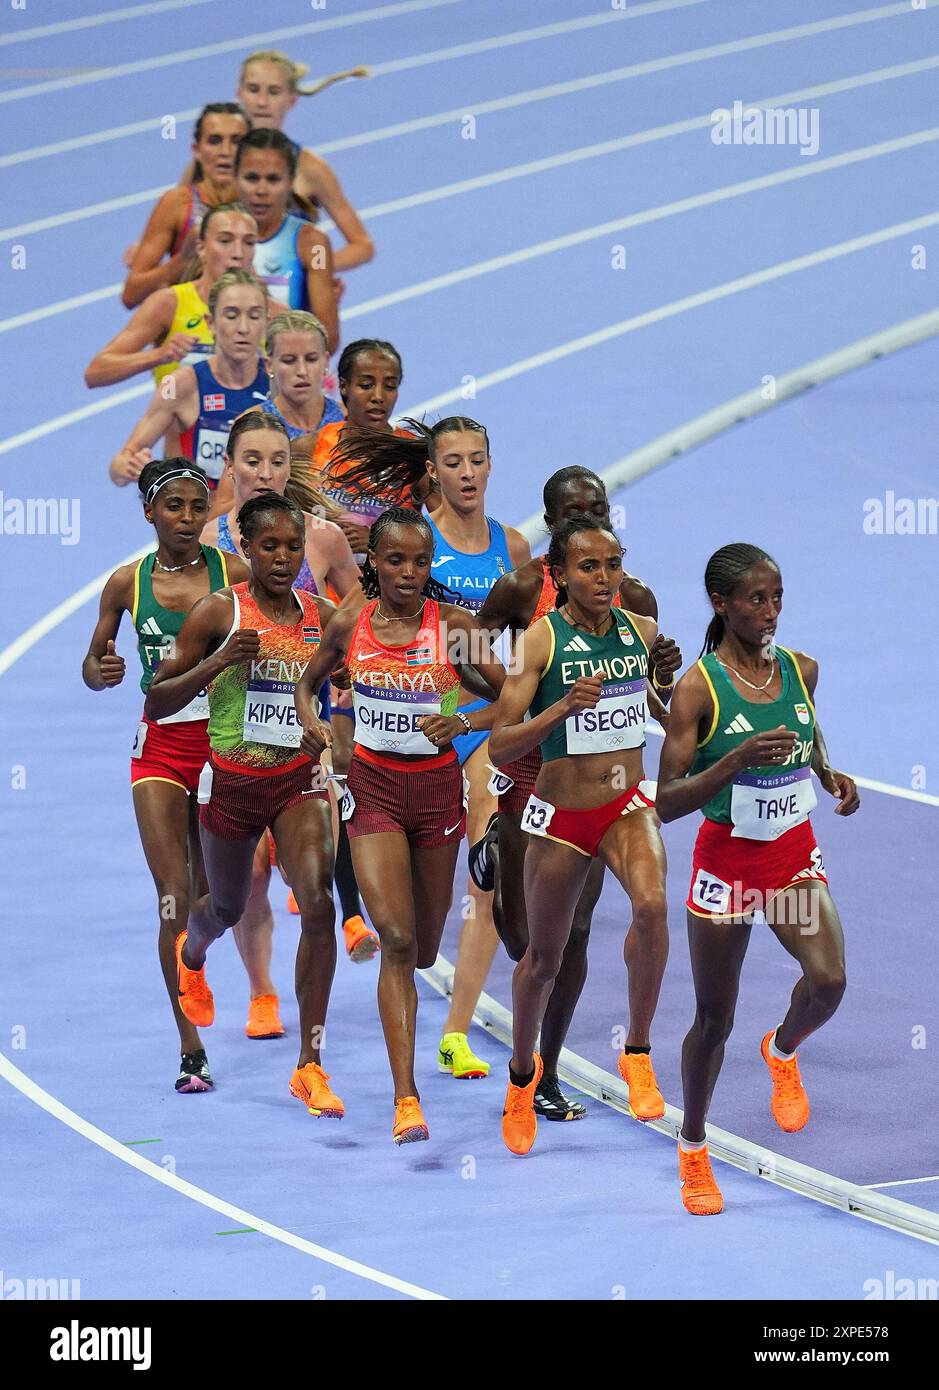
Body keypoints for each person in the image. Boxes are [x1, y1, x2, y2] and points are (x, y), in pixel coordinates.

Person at [656, 543, 858, 1215]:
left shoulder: (801, 670)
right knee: (713, 1019)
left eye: (775, 597)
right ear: (721, 604)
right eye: (754, 599)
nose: (768, 611)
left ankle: (780, 1049)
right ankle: (691, 1148)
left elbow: (808, 734)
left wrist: (829, 775)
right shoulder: (697, 687)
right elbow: (667, 800)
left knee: (827, 982)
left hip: (790, 858)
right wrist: (733, 760)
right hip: (727, 868)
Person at [473, 467, 681, 1121]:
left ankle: (638, 1054)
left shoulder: (640, 628)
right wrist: (556, 709)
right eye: (589, 566)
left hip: (624, 803)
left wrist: (668, 690)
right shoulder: (538, 637)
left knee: (650, 908)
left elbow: (662, 714)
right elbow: (502, 745)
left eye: (612, 564)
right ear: (559, 572)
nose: (604, 577)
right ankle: (521, 1074)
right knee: (538, 955)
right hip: (558, 811)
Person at [294, 508, 506, 1144]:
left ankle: (407, 1058)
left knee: (426, 943)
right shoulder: (349, 624)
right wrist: (314, 723)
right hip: (375, 789)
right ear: (373, 565)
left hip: (440, 794)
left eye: (420, 562)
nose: (409, 573)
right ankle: (405, 1098)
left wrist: (466, 722)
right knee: (396, 937)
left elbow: (512, 697)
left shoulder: (456, 628)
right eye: (395, 561)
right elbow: (307, 686)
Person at [145, 493, 346, 1118]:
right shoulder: (218, 612)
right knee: (224, 909)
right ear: (245, 549)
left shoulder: (321, 616)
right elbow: (157, 701)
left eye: (292, 547)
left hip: (296, 782)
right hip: (231, 782)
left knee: (318, 903)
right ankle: (192, 955)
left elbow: (339, 686)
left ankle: (310, 1064)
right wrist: (218, 662)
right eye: (269, 547)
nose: (283, 558)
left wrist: (323, 727)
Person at [82, 459, 249, 1093]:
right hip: (159, 751)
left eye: (197, 506)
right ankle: (191, 1048)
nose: (186, 518)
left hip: (222, 747)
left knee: (219, 905)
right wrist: (105, 669)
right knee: (172, 897)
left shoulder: (233, 575)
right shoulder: (127, 584)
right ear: (149, 513)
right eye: (173, 507)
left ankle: (195, 962)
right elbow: (91, 668)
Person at [109, 270, 269, 488]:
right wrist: (129, 466)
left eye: (254, 316)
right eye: (231, 315)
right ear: (210, 322)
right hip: (202, 518)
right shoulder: (181, 385)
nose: (243, 328)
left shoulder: (279, 386)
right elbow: (120, 465)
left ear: (266, 322)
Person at [230, 49, 373, 271]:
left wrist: (311, 270)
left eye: (274, 92)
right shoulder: (217, 161)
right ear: (239, 93)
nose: (262, 102)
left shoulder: (309, 168)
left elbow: (362, 246)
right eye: (253, 89)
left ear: (292, 100)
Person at [86, 204, 257, 389]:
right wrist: (160, 354)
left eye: (248, 243)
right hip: (176, 416)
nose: (238, 254)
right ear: (201, 248)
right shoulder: (169, 304)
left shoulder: (271, 312)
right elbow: (96, 372)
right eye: (225, 241)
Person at [123, 104, 249, 309]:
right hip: (187, 336)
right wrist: (183, 260)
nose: (225, 151)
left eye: (236, 141)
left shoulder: (262, 207)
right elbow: (131, 294)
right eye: (215, 141)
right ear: (197, 150)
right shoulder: (176, 205)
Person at [236, 129, 339, 351]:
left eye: (273, 179)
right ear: (236, 177)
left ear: (291, 181)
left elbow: (328, 337)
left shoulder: (313, 244)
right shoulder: (213, 235)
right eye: (251, 178)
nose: (261, 190)